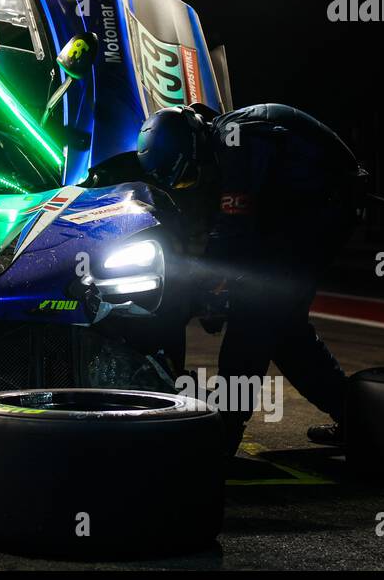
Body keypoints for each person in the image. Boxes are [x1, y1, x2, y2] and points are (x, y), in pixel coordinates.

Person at [137, 103, 366, 456]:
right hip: (311, 211)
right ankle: (361, 421)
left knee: (255, 317)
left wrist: (205, 290)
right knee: (285, 331)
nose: (193, 184)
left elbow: (233, 229)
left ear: (194, 146)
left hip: (320, 212)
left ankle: (225, 429)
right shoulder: (227, 140)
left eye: (188, 176)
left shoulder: (234, 139)